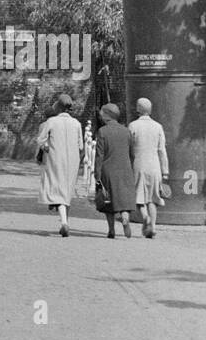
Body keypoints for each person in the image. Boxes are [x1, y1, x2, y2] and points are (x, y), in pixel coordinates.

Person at [36, 93, 83, 237]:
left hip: (55, 158)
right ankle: (65, 220)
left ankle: (64, 222)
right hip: (73, 160)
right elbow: (80, 146)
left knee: (58, 188)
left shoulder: (51, 121)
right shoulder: (76, 123)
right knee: (67, 189)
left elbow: (40, 139)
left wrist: (45, 147)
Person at [94, 103, 136, 239]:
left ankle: (111, 230)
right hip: (125, 169)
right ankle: (125, 218)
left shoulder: (102, 132)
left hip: (108, 170)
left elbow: (99, 155)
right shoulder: (126, 131)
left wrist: (97, 174)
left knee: (108, 201)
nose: (100, 115)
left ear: (107, 115)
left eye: (102, 113)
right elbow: (132, 153)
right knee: (124, 199)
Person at [129, 97, 170, 238]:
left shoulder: (133, 126)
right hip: (155, 166)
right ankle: (152, 226)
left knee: (139, 196)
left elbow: (130, 148)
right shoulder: (158, 126)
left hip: (139, 164)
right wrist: (165, 171)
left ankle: (145, 216)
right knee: (153, 198)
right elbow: (162, 150)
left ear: (138, 109)